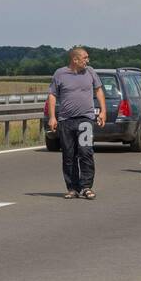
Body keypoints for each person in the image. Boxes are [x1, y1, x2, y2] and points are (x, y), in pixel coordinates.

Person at [46, 46, 106, 200]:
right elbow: (52, 96)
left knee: (85, 152)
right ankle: (72, 188)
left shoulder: (90, 72)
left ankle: (86, 186)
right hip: (66, 121)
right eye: (85, 58)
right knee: (68, 154)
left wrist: (103, 111)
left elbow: (98, 90)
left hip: (85, 119)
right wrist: (52, 117)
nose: (88, 60)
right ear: (75, 59)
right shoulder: (60, 74)